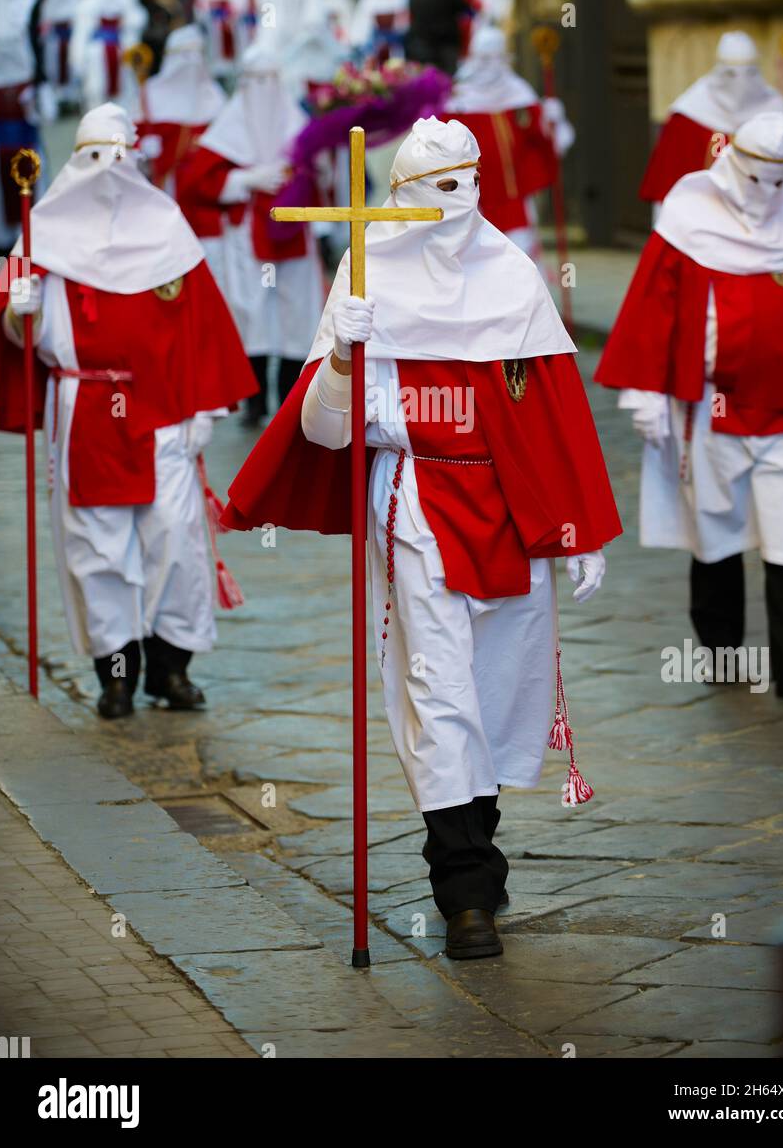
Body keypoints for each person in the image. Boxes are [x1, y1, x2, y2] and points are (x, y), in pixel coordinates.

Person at [221, 117, 622, 960]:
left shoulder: (512, 275)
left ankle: (479, 845)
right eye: (440, 186)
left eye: (470, 181)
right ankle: (464, 889)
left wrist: (581, 528)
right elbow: (328, 434)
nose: (461, 201)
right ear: (399, 197)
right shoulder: (364, 273)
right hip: (417, 502)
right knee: (438, 690)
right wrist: (342, 358)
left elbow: (553, 410)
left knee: (500, 688)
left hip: (511, 510)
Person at [0, 104, 257, 720]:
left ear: (134, 158)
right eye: (93, 158)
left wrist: (206, 407)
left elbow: (203, 328)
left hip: (163, 412)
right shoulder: (39, 238)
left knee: (175, 542)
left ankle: (171, 669)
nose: (106, 172)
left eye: (117, 156)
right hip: (83, 412)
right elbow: (6, 328)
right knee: (97, 550)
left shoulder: (169, 235)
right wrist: (13, 312)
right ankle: (116, 675)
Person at [596, 112, 783, 704]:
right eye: (756, 177)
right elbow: (651, 313)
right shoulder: (687, 224)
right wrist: (644, 393)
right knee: (717, 533)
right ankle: (721, 653)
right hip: (710, 408)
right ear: (732, 163)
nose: (766, 195)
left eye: (778, 181)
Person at [176, 37, 325, 426]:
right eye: (258, 79)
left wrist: (297, 179)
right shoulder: (227, 128)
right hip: (246, 233)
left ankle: (292, 395)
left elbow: (318, 171)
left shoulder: (297, 122)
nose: (265, 88)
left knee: (299, 309)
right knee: (252, 310)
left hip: (294, 228)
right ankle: (255, 396)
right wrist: (246, 179)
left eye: (271, 78)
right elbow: (195, 182)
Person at [443, 24, 573, 261]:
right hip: (471, 199)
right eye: (483, 58)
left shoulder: (520, 96)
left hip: (513, 196)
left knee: (518, 254)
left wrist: (551, 120)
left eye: (494, 58)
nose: (488, 66)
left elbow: (545, 141)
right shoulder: (456, 102)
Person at [640, 32, 783, 209]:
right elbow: (668, 194)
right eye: (731, 74)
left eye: (750, 73)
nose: (740, 84)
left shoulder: (776, 113)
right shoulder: (688, 115)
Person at [0, 0, 49, 254]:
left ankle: (16, 281)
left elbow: (40, 114)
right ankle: (1, 289)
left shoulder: (23, 76)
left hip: (20, 147)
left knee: (23, 217)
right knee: (2, 219)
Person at [135, 24, 226, 197]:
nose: (192, 61)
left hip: (202, 193)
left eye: (197, 55)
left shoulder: (216, 98)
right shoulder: (149, 96)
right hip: (160, 190)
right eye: (185, 55)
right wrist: (140, 149)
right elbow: (121, 144)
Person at [70, 0, 147, 111]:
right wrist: (78, 61)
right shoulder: (89, 3)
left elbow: (136, 23)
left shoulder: (125, 1)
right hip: (97, 55)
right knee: (97, 93)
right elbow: (81, 35)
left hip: (121, 53)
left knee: (124, 94)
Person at [405, 0, 470, 76]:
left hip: (422, 45)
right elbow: (464, 11)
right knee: (448, 81)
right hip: (446, 45)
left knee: (426, 82)